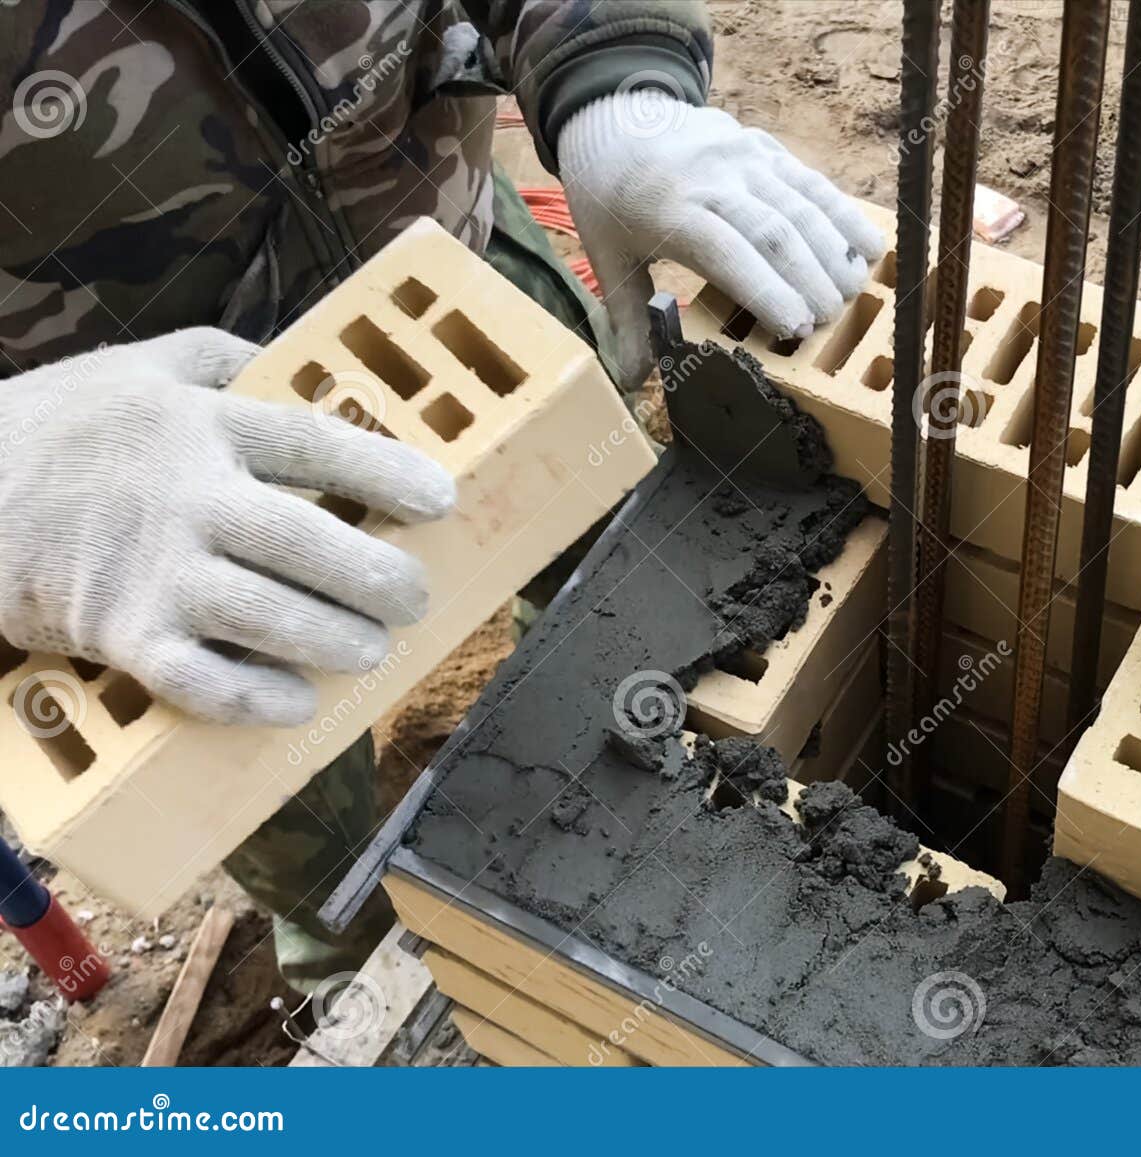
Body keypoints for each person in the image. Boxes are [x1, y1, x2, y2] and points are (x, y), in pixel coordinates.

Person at [0, 1, 884, 994]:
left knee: (625, 579)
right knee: (263, 754)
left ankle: (612, 754)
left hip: (446, 270)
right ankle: (375, 953)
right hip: (124, 474)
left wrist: (610, 73)